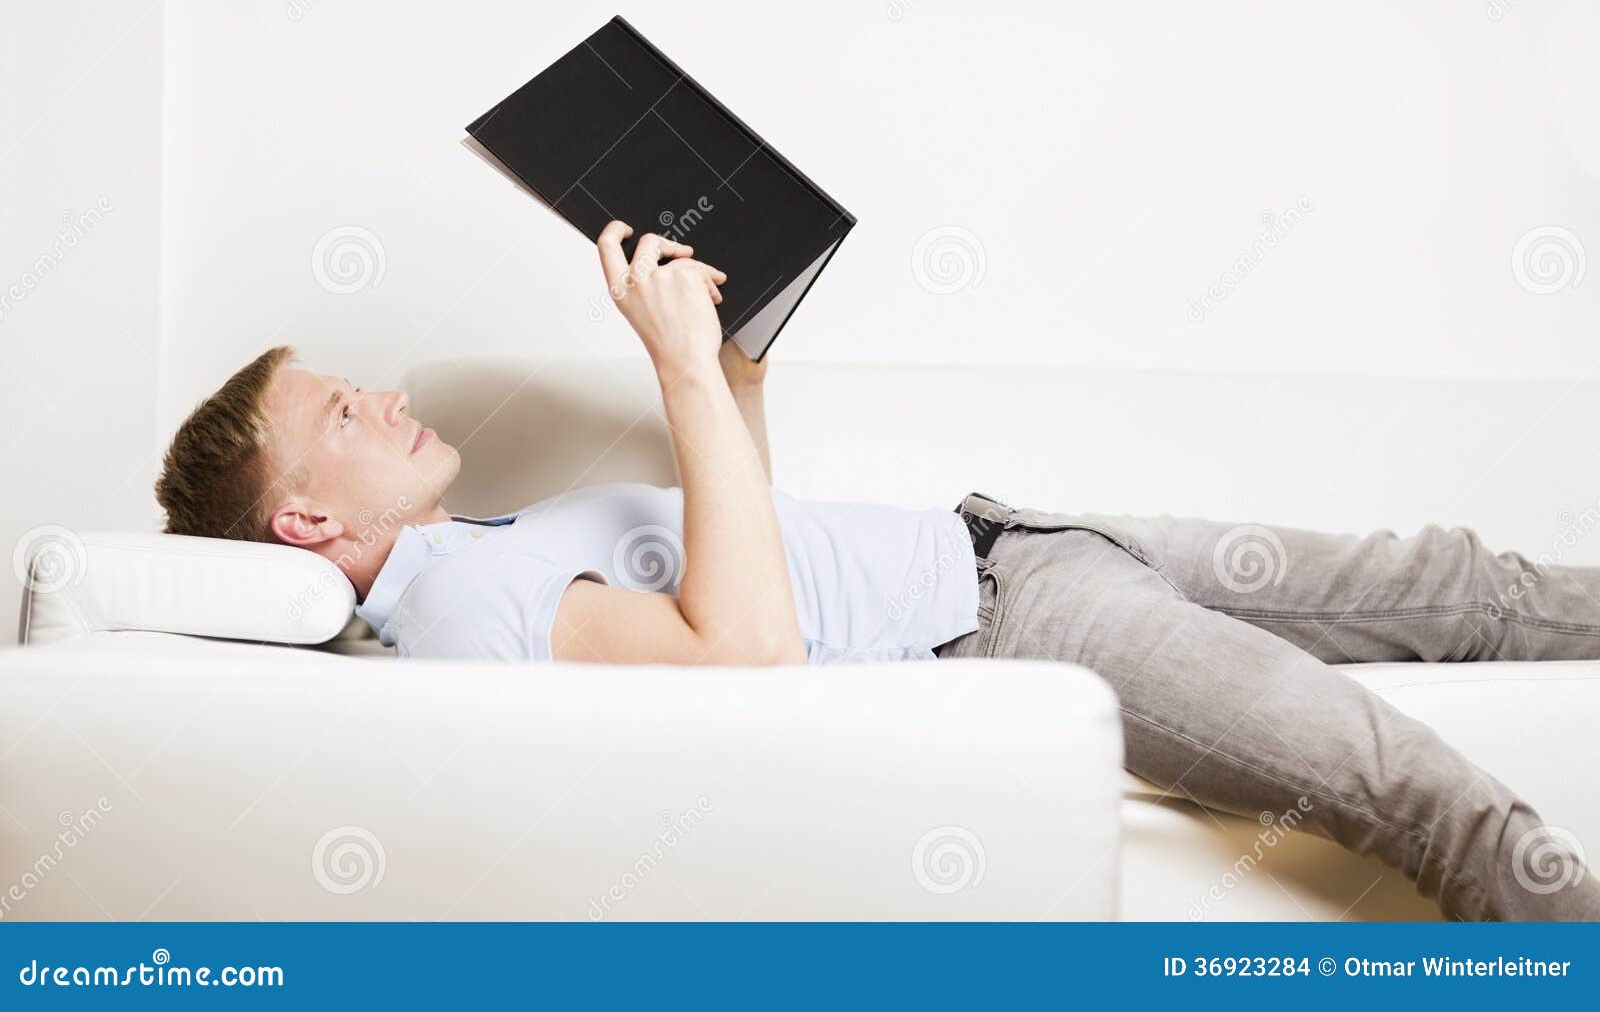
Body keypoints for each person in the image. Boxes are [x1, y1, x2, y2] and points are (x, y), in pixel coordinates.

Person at [155, 220, 1599, 921]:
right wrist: (670, 372)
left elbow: (745, 560)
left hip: (1013, 542)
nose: (387, 402)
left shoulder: (483, 555)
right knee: (1409, 787)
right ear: (301, 527)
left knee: (1457, 582)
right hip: (1015, 625)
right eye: (343, 415)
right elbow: (747, 664)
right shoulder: (458, 609)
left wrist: (730, 371)